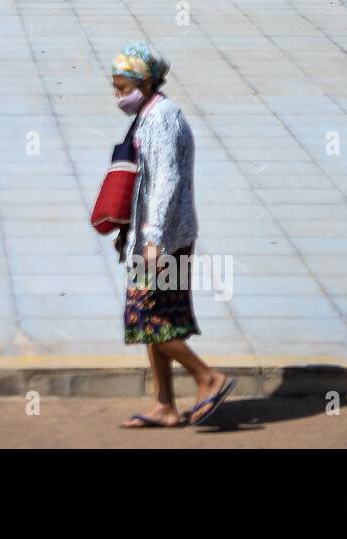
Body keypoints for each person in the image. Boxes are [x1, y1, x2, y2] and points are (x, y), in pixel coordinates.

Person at [107, 41, 235, 428]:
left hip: (164, 241)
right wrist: (128, 232)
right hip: (153, 236)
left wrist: (151, 240)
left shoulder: (162, 118)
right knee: (158, 319)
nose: (117, 96)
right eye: (114, 87)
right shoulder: (148, 115)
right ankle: (164, 404)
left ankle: (207, 377)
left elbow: (166, 181)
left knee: (145, 318)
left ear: (144, 84)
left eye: (122, 87)